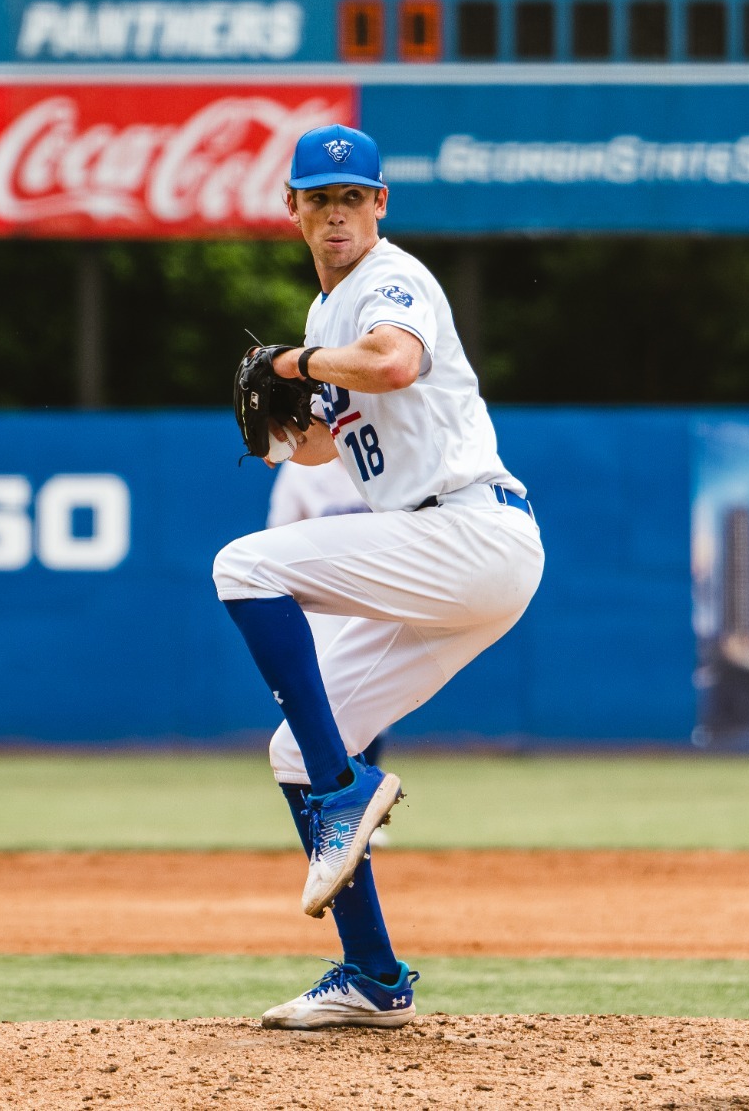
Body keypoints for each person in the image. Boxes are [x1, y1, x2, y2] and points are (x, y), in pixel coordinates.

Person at [212, 123, 545, 1030]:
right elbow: (325, 443)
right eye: (319, 200)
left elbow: (394, 361)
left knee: (241, 565)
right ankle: (373, 975)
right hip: (444, 559)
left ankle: (348, 794)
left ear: (379, 205)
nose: (336, 215)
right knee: (292, 754)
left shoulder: (391, 279)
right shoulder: (330, 315)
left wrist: (287, 362)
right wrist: (282, 427)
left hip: (472, 531)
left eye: (352, 198)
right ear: (293, 210)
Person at [266, 460, 391, 783]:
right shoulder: (301, 469)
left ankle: (362, 803)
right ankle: (336, 799)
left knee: (376, 710)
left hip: (378, 599)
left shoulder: (380, 457)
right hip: (325, 604)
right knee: (328, 700)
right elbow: (277, 533)